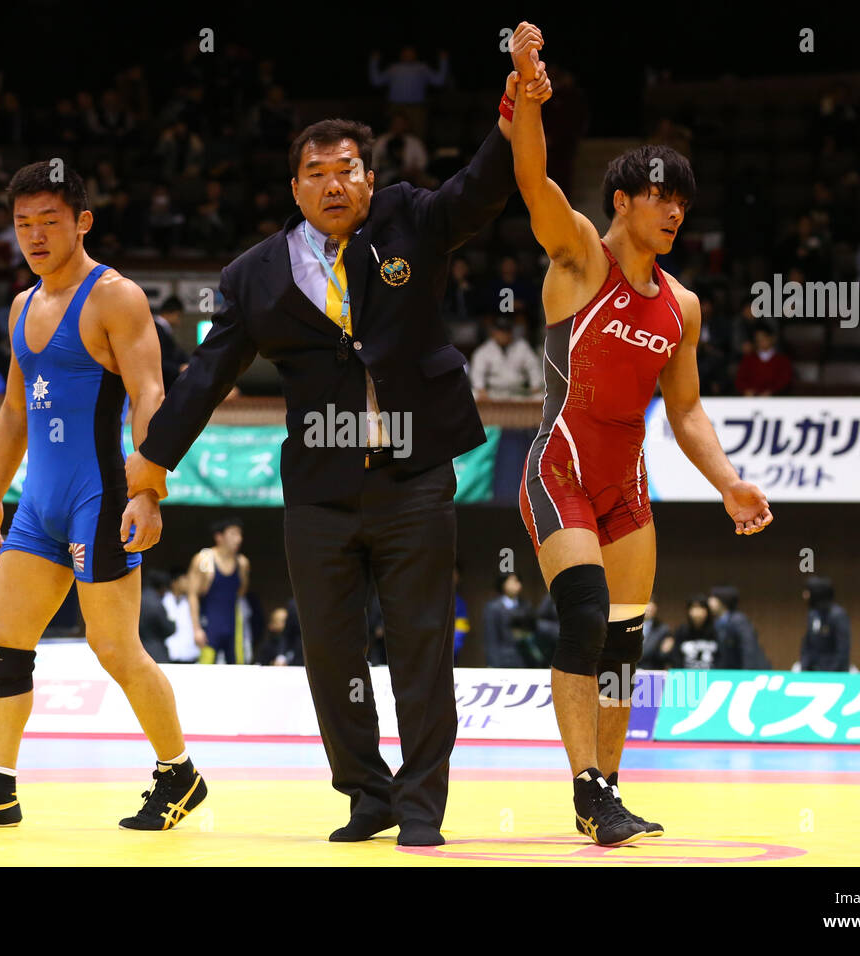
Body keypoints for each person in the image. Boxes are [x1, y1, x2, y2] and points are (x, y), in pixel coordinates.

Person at [125, 32, 552, 848]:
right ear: (294, 187)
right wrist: (151, 466)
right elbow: (207, 374)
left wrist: (518, 105)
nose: (333, 184)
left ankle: (423, 808)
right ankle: (368, 794)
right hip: (318, 491)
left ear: (369, 175)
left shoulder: (410, 220)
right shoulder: (254, 274)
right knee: (330, 655)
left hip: (413, 479)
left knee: (421, 650)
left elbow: (481, 191)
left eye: (346, 169)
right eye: (315, 173)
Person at [509, 23, 773, 847]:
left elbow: (686, 410)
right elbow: (531, 176)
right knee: (583, 611)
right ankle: (586, 785)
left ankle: (609, 792)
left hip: (627, 486)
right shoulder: (577, 256)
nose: (675, 213)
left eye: (684, 203)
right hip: (560, 469)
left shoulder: (682, 306)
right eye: (662, 197)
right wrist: (524, 87)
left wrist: (728, 481)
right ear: (621, 200)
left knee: (626, 640)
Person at [0, 161, 205, 832]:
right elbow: (15, 414)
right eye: (22, 224)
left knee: (115, 648)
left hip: (100, 496)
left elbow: (149, 394)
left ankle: (180, 773)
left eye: (50, 221)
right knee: (4, 641)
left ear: (82, 221)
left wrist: (149, 490)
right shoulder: (23, 306)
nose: (35, 236)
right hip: (40, 505)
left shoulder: (116, 297)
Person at [185, 517, 251, 665]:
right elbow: (192, 595)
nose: (238, 539)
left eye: (240, 534)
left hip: (233, 625)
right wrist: (196, 629)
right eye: (233, 534)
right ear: (219, 537)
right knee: (205, 670)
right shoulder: (203, 560)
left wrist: (243, 572)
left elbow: (241, 592)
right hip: (210, 624)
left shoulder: (242, 563)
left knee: (237, 669)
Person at [469, 316, 543, 398]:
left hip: (518, 392)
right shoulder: (484, 350)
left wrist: (535, 385)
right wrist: (480, 388)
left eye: (507, 331)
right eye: (501, 331)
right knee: (474, 394)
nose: (504, 334)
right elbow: (477, 373)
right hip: (493, 393)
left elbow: (533, 367)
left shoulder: (521, 346)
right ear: (494, 332)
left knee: (539, 396)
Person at [708, 585, 770, 669]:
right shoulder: (717, 622)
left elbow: (748, 648)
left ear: (722, 600)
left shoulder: (738, 620)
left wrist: (747, 672)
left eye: (712, 598)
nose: (709, 601)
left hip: (747, 673)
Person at [797, 575, 851, 671]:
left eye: (808, 592)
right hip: (813, 669)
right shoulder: (813, 615)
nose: (805, 596)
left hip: (833, 672)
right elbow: (806, 645)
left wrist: (829, 674)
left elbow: (842, 652)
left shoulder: (838, 616)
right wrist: (805, 666)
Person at [482, 572, 534, 668]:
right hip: (501, 659)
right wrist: (493, 663)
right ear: (503, 584)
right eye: (512, 581)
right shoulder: (493, 607)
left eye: (518, 581)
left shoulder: (526, 606)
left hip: (523, 660)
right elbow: (491, 637)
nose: (517, 584)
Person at [734, 322, 793, 396]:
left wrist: (772, 391)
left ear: (772, 338)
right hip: (751, 400)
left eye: (764, 338)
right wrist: (746, 390)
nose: (761, 342)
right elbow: (740, 380)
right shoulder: (748, 359)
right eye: (758, 340)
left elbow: (785, 381)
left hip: (775, 401)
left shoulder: (782, 360)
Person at [162, 566, 199, 664]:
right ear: (174, 583)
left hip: (190, 654)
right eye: (185, 579)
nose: (188, 583)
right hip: (169, 655)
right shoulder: (163, 601)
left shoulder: (191, 602)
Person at [670, 595, 720, 669]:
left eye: (701, 608)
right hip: (686, 676)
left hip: (711, 676)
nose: (697, 612)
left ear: (707, 611)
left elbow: (722, 657)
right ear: (688, 611)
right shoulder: (681, 631)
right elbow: (676, 656)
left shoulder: (717, 631)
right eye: (694, 608)